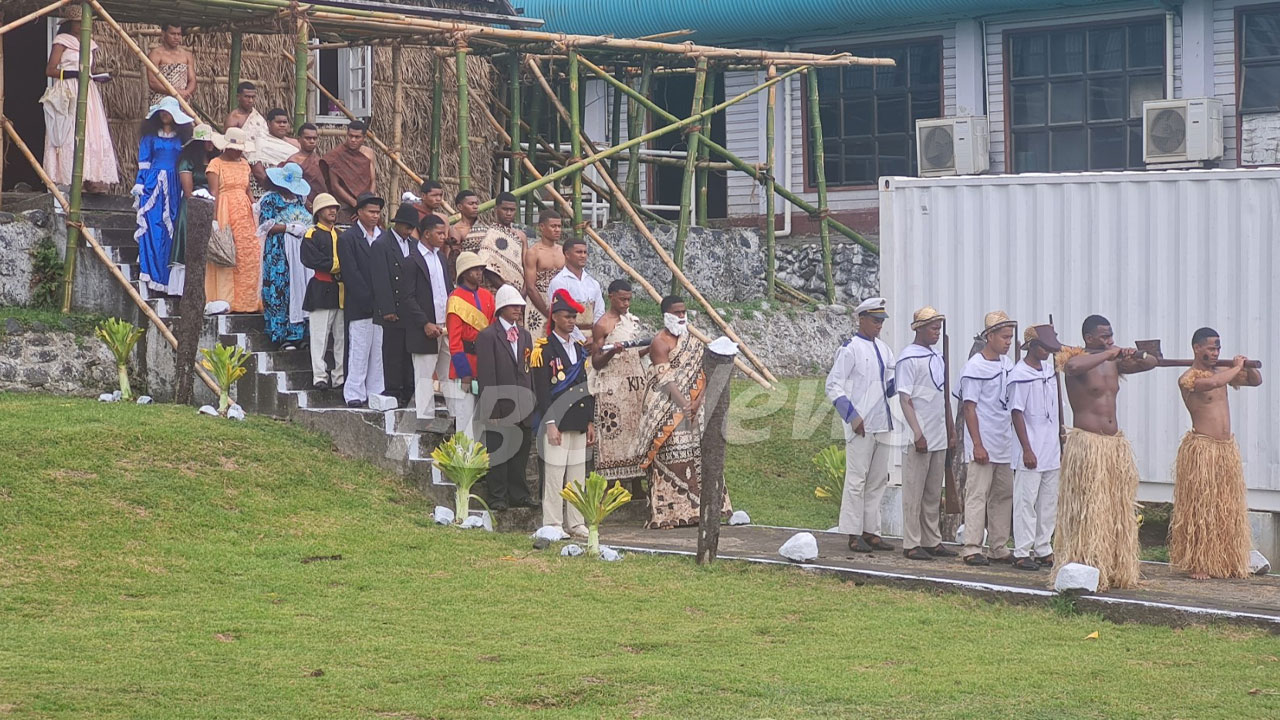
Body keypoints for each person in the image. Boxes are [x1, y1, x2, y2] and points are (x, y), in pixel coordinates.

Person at [1052, 314, 1158, 591]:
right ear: (1089, 338)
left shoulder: (1112, 362)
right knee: (1089, 509)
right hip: (1088, 446)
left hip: (1113, 446)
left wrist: (1136, 353)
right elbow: (1073, 366)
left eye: (1111, 335)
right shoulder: (1074, 359)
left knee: (1114, 508)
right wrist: (1109, 353)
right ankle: (1086, 562)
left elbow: (1151, 363)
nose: (1110, 340)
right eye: (1104, 336)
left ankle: (1114, 566)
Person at [1171, 328, 1263, 580]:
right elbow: (1211, 384)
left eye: (1218, 349)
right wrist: (1236, 367)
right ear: (1197, 348)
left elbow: (1255, 381)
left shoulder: (1224, 372)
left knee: (1226, 508)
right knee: (1202, 510)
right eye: (1210, 348)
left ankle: (1226, 560)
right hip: (1203, 451)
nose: (1215, 353)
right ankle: (1198, 563)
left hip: (1225, 451)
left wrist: (1247, 366)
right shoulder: (1188, 379)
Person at [636, 295, 731, 529]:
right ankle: (668, 514)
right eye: (676, 312)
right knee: (670, 455)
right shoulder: (659, 342)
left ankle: (703, 510)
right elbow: (665, 378)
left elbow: (703, 370)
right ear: (665, 315)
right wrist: (685, 404)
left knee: (700, 453)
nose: (681, 316)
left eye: (683, 312)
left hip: (694, 407)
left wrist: (697, 401)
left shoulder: (692, 340)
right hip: (665, 406)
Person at [825, 298, 898, 553]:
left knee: (878, 480)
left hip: (882, 423)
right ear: (862, 319)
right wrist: (851, 415)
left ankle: (871, 531)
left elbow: (889, 385)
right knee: (857, 480)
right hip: (860, 424)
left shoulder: (885, 349)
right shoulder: (850, 349)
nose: (879, 325)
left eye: (881, 321)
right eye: (875, 320)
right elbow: (833, 384)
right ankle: (853, 533)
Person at [895, 306, 957, 561]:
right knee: (914, 491)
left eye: (939, 329)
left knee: (933, 491)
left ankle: (932, 539)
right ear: (919, 329)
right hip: (919, 434)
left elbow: (944, 397)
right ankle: (911, 542)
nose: (937, 333)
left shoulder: (936, 357)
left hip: (938, 432)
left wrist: (950, 429)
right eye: (933, 328)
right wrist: (917, 433)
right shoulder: (908, 358)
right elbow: (905, 398)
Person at [957, 311, 1017, 567]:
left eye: (1011, 337)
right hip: (983, 441)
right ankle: (971, 546)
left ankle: (998, 546)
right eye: (1004, 337)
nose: (1008, 342)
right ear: (989, 336)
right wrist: (977, 444)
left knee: (1003, 494)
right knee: (977, 494)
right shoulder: (974, 367)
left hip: (1004, 442)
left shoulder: (1008, 364)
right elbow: (969, 407)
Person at [534, 290, 596, 536]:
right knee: (554, 474)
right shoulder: (544, 349)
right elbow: (542, 390)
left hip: (578, 418)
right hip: (557, 420)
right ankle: (552, 523)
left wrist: (589, 420)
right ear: (555, 317)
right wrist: (550, 422)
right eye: (567, 317)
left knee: (577, 474)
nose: (572, 321)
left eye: (574, 317)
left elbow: (585, 386)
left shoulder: (580, 349)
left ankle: (575, 521)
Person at [42, 8, 119, 193]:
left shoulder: (90, 44)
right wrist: (73, 73)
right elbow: (50, 70)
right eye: (78, 22)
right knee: (70, 131)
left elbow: (90, 71)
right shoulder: (61, 42)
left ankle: (90, 179)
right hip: (69, 90)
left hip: (87, 92)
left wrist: (96, 77)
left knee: (91, 130)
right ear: (70, 24)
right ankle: (67, 178)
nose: (82, 25)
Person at [1008, 324, 1064, 572]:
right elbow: (1016, 413)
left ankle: (1043, 547)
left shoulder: (1051, 371)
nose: (1047, 352)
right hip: (1030, 447)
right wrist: (1027, 449)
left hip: (1051, 446)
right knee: (1026, 501)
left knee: (1048, 501)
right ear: (1031, 346)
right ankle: (1022, 550)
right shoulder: (1019, 374)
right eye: (1043, 347)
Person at [476, 285, 537, 511]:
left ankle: (518, 494)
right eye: (512, 306)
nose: (518, 310)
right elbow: (486, 375)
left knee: (520, 453)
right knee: (499, 452)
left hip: (523, 403)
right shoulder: (488, 336)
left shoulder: (525, 336)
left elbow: (527, 369)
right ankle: (497, 496)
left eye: (519, 306)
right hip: (500, 405)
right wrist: (491, 408)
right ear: (501, 308)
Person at [589, 279, 648, 484]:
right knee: (613, 433)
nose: (626, 304)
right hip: (613, 386)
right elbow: (596, 362)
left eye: (629, 299)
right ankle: (612, 483)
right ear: (611, 296)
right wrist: (612, 352)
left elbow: (634, 353)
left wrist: (649, 347)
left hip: (635, 384)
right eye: (622, 299)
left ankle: (637, 484)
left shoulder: (632, 320)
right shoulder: (602, 325)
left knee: (637, 431)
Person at [132, 96, 193, 294]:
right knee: (153, 227)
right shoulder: (150, 137)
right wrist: (140, 184)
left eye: (170, 112)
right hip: (153, 185)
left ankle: (170, 280)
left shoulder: (182, 138)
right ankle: (151, 273)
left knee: (172, 230)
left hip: (176, 185)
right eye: (163, 112)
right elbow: (144, 163)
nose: (166, 115)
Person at [336, 193, 386, 408]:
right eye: (371, 212)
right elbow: (350, 273)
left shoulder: (384, 237)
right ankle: (354, 391)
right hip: (359, 303)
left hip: (382, 305)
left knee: (378, 350)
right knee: (359, 347)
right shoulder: (348, 238)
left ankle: (376, 390)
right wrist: (367, 298)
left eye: (377, 212)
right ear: (359, 213)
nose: (375, 216)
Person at [402, 215, 454, 421]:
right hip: (425, 326)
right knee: (424, 375)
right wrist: (424, 323)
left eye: (445, 233)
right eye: (439, 233)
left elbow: (447, 289)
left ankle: (457, 414)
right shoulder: (412, 260)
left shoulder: (441, 257)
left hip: (445, 324)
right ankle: (425, 418)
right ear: (426, 234)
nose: (444, 237)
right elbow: (407, 297)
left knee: (449, 372)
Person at [257, 162, 312, 351]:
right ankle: (281, 335)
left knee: (300, 288)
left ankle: (299, 334)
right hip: (278, 251)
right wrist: (288, 227)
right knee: (281, 289)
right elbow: (264, 226)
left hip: (299, 250)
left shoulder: (299, 199)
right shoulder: (270, 200)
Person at [204, 127, 260, 313]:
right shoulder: (215, 164)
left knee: (248, 252)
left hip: (244, 211)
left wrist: (255, 208)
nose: (238, 151)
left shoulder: (244, 164)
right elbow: (214, 192)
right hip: (224, 208)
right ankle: (226, 298)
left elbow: (248, 190)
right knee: (227, 249)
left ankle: (247, 301)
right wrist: (213, 220)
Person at [372, 204, 419, 407]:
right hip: (393, 305)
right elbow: (379, 279)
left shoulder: (415, 245)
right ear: (397, 223)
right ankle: (393, 388)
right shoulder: (381, 244)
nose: (408, 231)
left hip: (410, 306)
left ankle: (409, 389)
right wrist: (387, 309)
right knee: (392, 351)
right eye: (406, 226)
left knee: (409, 352)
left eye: (411, 227)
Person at [446, 252, 495, 441]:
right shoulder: (455, 298)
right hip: (464, 364)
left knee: (482, 421)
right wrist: (463, 371)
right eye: (474, 269)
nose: (479, 272)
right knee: (465, 420)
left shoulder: (488, 296)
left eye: (480, 269)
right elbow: (455, 340)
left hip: (484, 364)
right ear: (464, 273)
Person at [300, 194, 345, 390]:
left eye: (334, 208)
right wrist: (336, 265)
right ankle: (319, 376)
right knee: (319, 336)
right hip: (320, 287)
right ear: (318, 211)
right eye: (328, 208)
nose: (333, 211)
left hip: (340, 291)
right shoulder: (312, 234)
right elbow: (311, 259)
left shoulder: (342, 235)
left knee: (341, 338)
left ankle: (339, 376)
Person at [168, 123, 218, 296]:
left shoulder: (215, 161)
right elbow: (188, 191)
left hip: (212, 204)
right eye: (207, 141)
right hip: (193, 205)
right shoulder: (187, 161)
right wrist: (202, 196)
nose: (211, 145)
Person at [547, 237, 605, 343]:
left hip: (592, 339)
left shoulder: (593, 283)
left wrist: (595, 338)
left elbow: (599, 312)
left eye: (585, 252)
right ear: (567, 254)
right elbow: (561, 314)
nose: (583, 255)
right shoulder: (559, 282)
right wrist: (581, 340)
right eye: (579, 252)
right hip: (567, 338)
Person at [464, 191, 525, 291]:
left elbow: (526, 266)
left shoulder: (521, 236)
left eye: (512, 210)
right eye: (505, 209)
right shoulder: (485, 233)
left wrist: (523, 292)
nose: (509, 213)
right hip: (493, 292)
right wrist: (505, 289)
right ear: (496, 209)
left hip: (519, 292)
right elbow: (486, 267)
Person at [321, 121, 377, 223]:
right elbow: (335, 186)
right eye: (350, 136)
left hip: (366, 202)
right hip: (345, 205)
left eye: (357, 137)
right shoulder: (336, 155)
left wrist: (368, 203)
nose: (353, 140)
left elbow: (372, 180)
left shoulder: (369, 153)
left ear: (364, 138)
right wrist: (356, 205)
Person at [522, 210, 566, 337]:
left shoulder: (563, 251)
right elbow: (530, 287)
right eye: (553, 226)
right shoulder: (533, 252)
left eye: (559, 226)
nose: (557, 230)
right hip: (538, 302)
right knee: (537, 345)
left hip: (560, 301)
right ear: (542, 227)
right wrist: (547, 312)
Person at [248, 108, 301, 196]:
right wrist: (277, 189)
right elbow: (258, 172)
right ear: (269, 124)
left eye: (285, 122)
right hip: (268, 192)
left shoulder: (295, 144)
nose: (282, 125)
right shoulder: (261, 142)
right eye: (278, 122)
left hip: (293, 191)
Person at [146, 22, 196, 105]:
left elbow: (192, 80)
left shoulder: (187, 55)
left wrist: (186, 92)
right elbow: (153, 82)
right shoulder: (155, 54)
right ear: (163, 33)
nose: (176, 37)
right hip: (161, 100)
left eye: (179, 34)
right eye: (172, 34)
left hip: (183, 100)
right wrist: (174, 92)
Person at [288, 124, 327, 207]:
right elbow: (293, 189)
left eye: (314, 138)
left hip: (322, 204)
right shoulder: (293, 162)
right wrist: (309, 206)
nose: (312, 141)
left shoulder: (318, 159)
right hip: (301, 206)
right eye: (308, 138)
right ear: (299, 139)